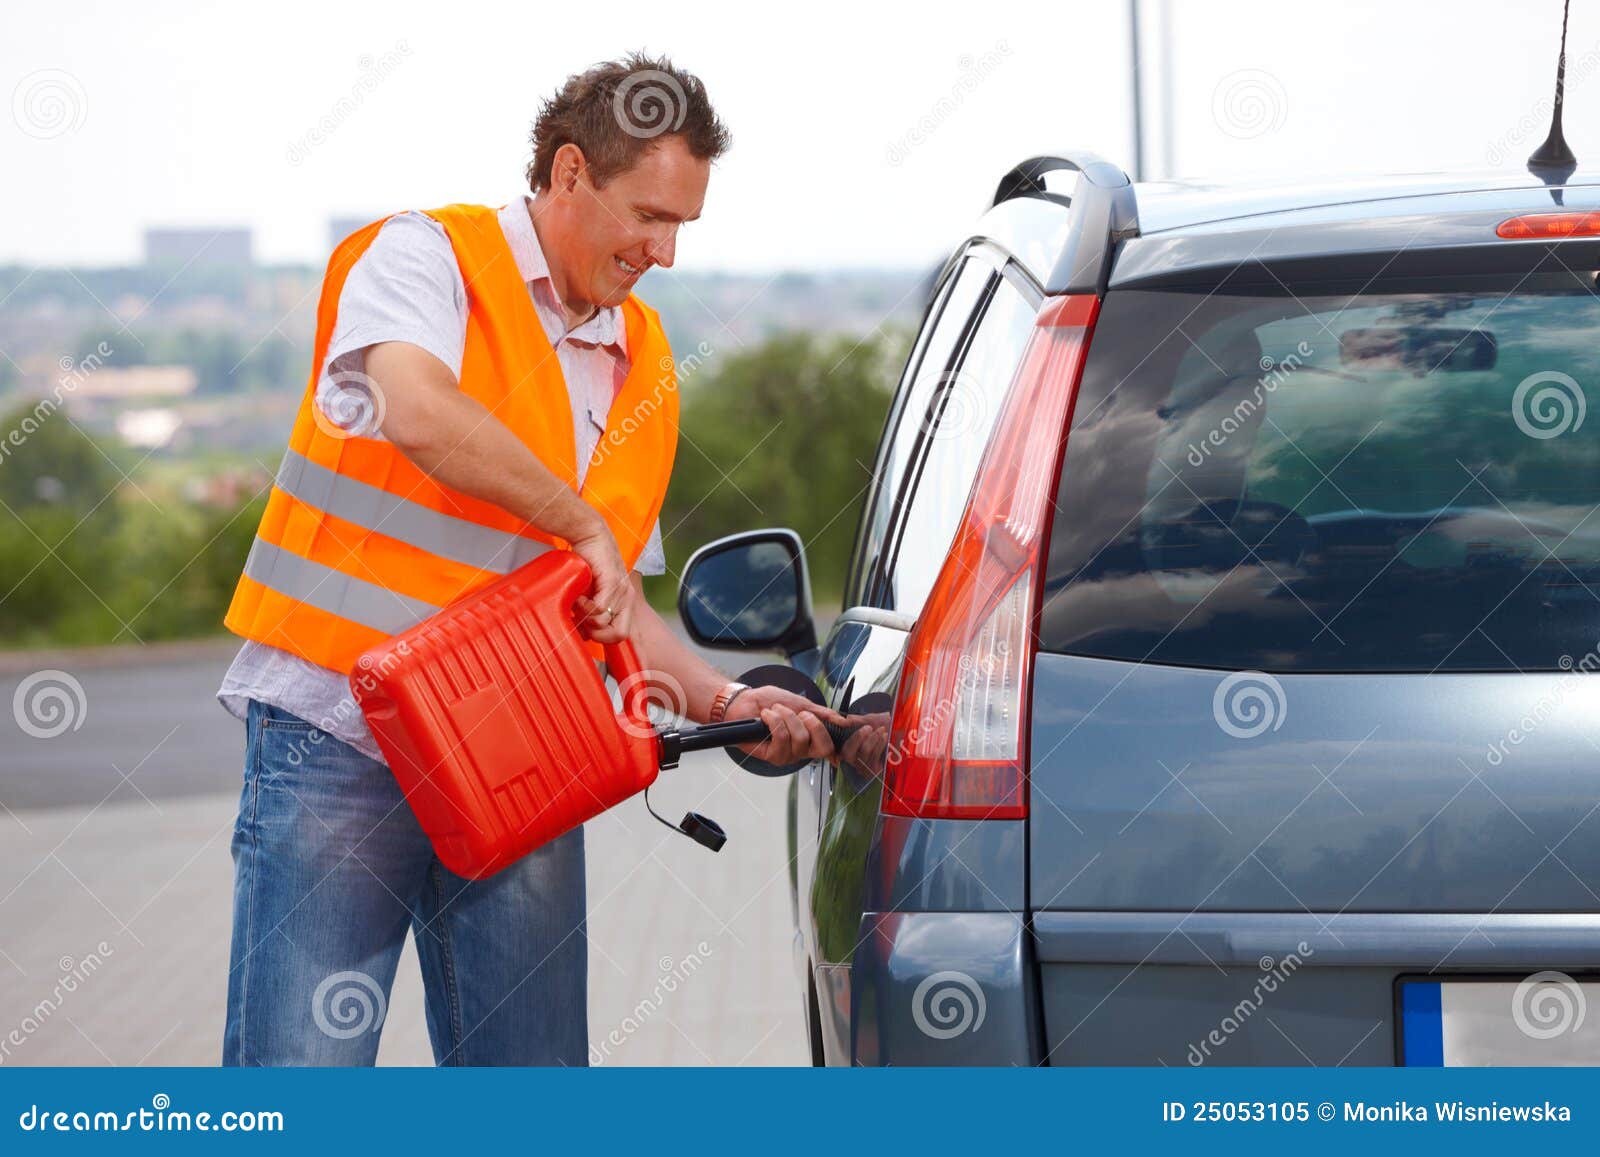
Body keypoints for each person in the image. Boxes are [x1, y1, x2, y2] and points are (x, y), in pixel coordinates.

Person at [216, 53, 841, 1067]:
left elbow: (612, 608)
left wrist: (731, 703)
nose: (665, 251)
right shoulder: (425, 259)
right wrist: (579, 519)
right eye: (649, 215)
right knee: (295, 1077)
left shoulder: (642, 362)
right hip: (337, 736)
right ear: (566, 174)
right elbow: (414, 406)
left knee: (534, 1081)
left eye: (681, 224)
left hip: (516, 760)